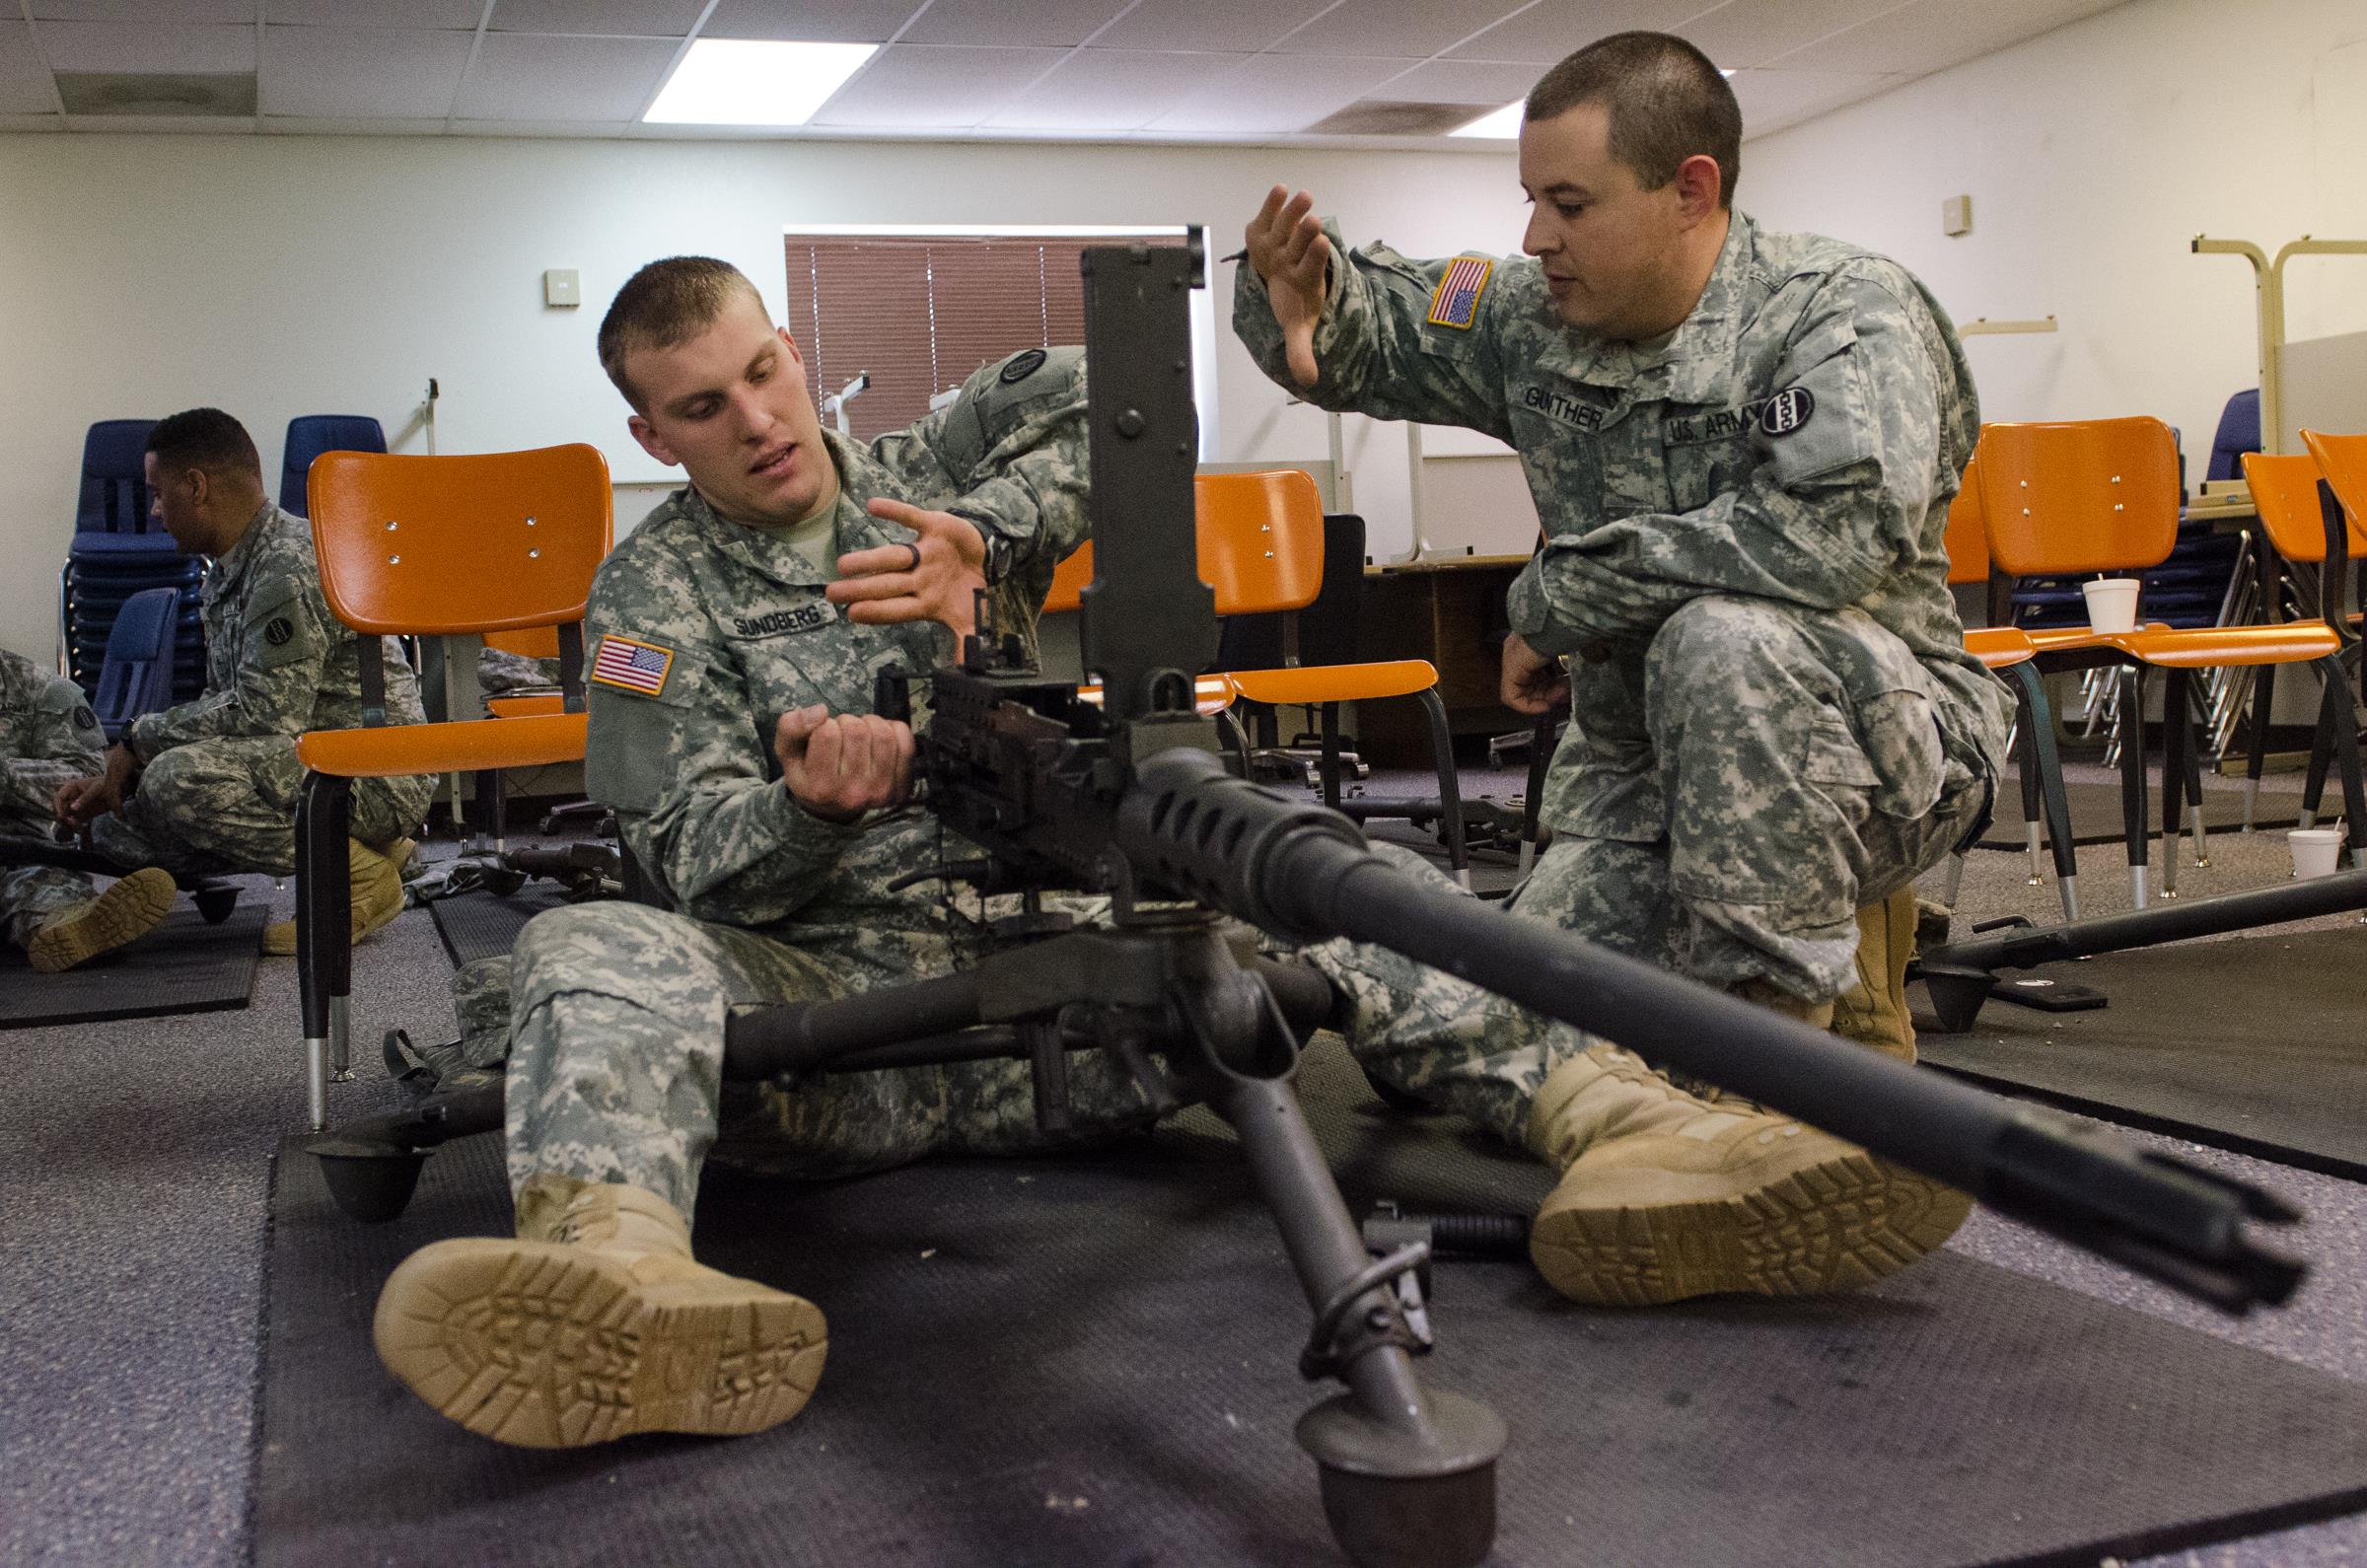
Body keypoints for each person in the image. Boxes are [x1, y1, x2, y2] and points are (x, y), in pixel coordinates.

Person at [1237, 32, 2011, 1305]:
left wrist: (1557, 593)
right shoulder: (1537, 315)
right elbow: (1363, 323)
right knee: (1436, 986)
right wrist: (1294, 306)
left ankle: (1771, 1077)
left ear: (1691, 190)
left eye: (1569, 204)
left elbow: (1823, 538)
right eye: (1528, 201)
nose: (1536, 237)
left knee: (1727, 639)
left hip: (1876, 746)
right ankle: (1701, 1111)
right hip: (1639, 782)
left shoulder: (1839, 311)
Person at [372, 256, 1140, 1449]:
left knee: (1314, 881)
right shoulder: (648, 593)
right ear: (653, 435)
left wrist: (982, 540)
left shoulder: (931, 485)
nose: (760, 422)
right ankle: (623, 1289)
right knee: (582, 946)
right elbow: (682, 860)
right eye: (702, 408)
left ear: (792, 346)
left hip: (1070, 1009)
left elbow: (1124, 396)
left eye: (764, 373)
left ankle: (1550, 1122)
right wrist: (806, 812)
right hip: (836, 1044)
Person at [51, 408, 437, 956]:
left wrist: (139, 740)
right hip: (309, 758)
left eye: (159, 494)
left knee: (173, 780)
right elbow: (226, 706)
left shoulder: (285, 565)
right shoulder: (232, 569)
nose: (156, 512)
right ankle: (374, 848)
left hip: (371, 769)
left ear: (197, 487)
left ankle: (358, 878)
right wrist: (119, 774)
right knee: (120, 826)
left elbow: (264, 715)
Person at [0, 648, 176, 972]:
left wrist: (5, 775)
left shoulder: (43, 691)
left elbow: (87, 782)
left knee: (40, 887)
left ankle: (73, 928)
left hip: (16, 847)